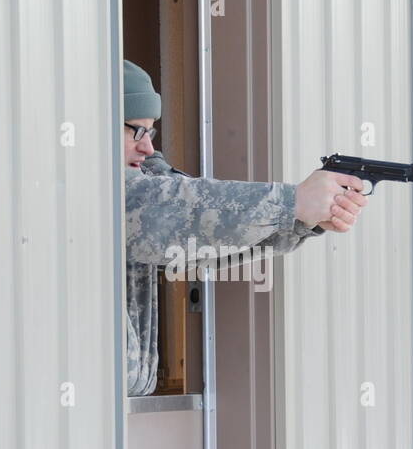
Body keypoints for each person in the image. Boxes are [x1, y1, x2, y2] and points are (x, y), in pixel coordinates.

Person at [121, 60, 369, 396]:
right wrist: (290, 203)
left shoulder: (142, 173)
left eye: (151, 132)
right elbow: (160, 209)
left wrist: (297, 219)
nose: (148, 146)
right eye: (135, 130)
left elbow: (194, 246)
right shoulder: (94, 186)